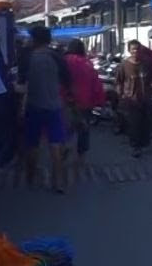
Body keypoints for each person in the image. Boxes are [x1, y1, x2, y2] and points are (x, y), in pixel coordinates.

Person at [17, 25, 71, 192]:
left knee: (32, 144)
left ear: (34, 39)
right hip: (54, 106)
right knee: (56, 144)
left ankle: (30, 178)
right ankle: (59, 183)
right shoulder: (57, 57)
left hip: (34, 105)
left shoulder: (27, 57)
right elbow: (67, 81)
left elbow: (21, 83)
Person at [63, 39, 105, 180]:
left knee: (65, 129)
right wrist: (98, 101)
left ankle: (63, 151)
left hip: (65, 101)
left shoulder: (63, 61)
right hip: (85, 103)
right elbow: (96, 83)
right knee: (83, 130)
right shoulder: (87, 64)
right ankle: (81, 159)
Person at [116, 40, 152, 158]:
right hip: (131, 100)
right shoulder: (124, 65)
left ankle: (143, 143)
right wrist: (121, 96)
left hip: (145, 98)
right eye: (133, 49)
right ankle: (135, 147)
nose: (136, 52)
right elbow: (119, 82)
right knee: (134, 124)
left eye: (138, 49)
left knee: (145, 123)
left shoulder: (147, 63)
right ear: (129, 50)